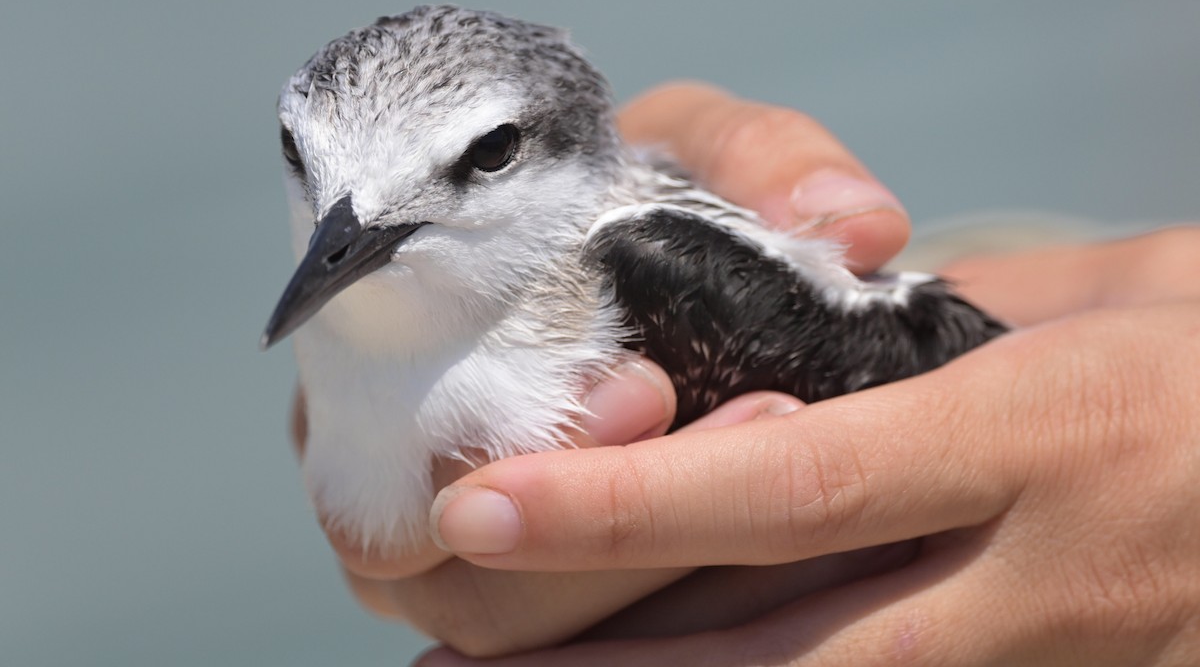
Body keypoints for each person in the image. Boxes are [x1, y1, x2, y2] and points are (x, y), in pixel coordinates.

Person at [291, 84, 1200, 665]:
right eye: (308, 163)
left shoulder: (636, 271)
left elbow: (966, 401)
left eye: (481, 157)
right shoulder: (355, 316)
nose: (342, 240)